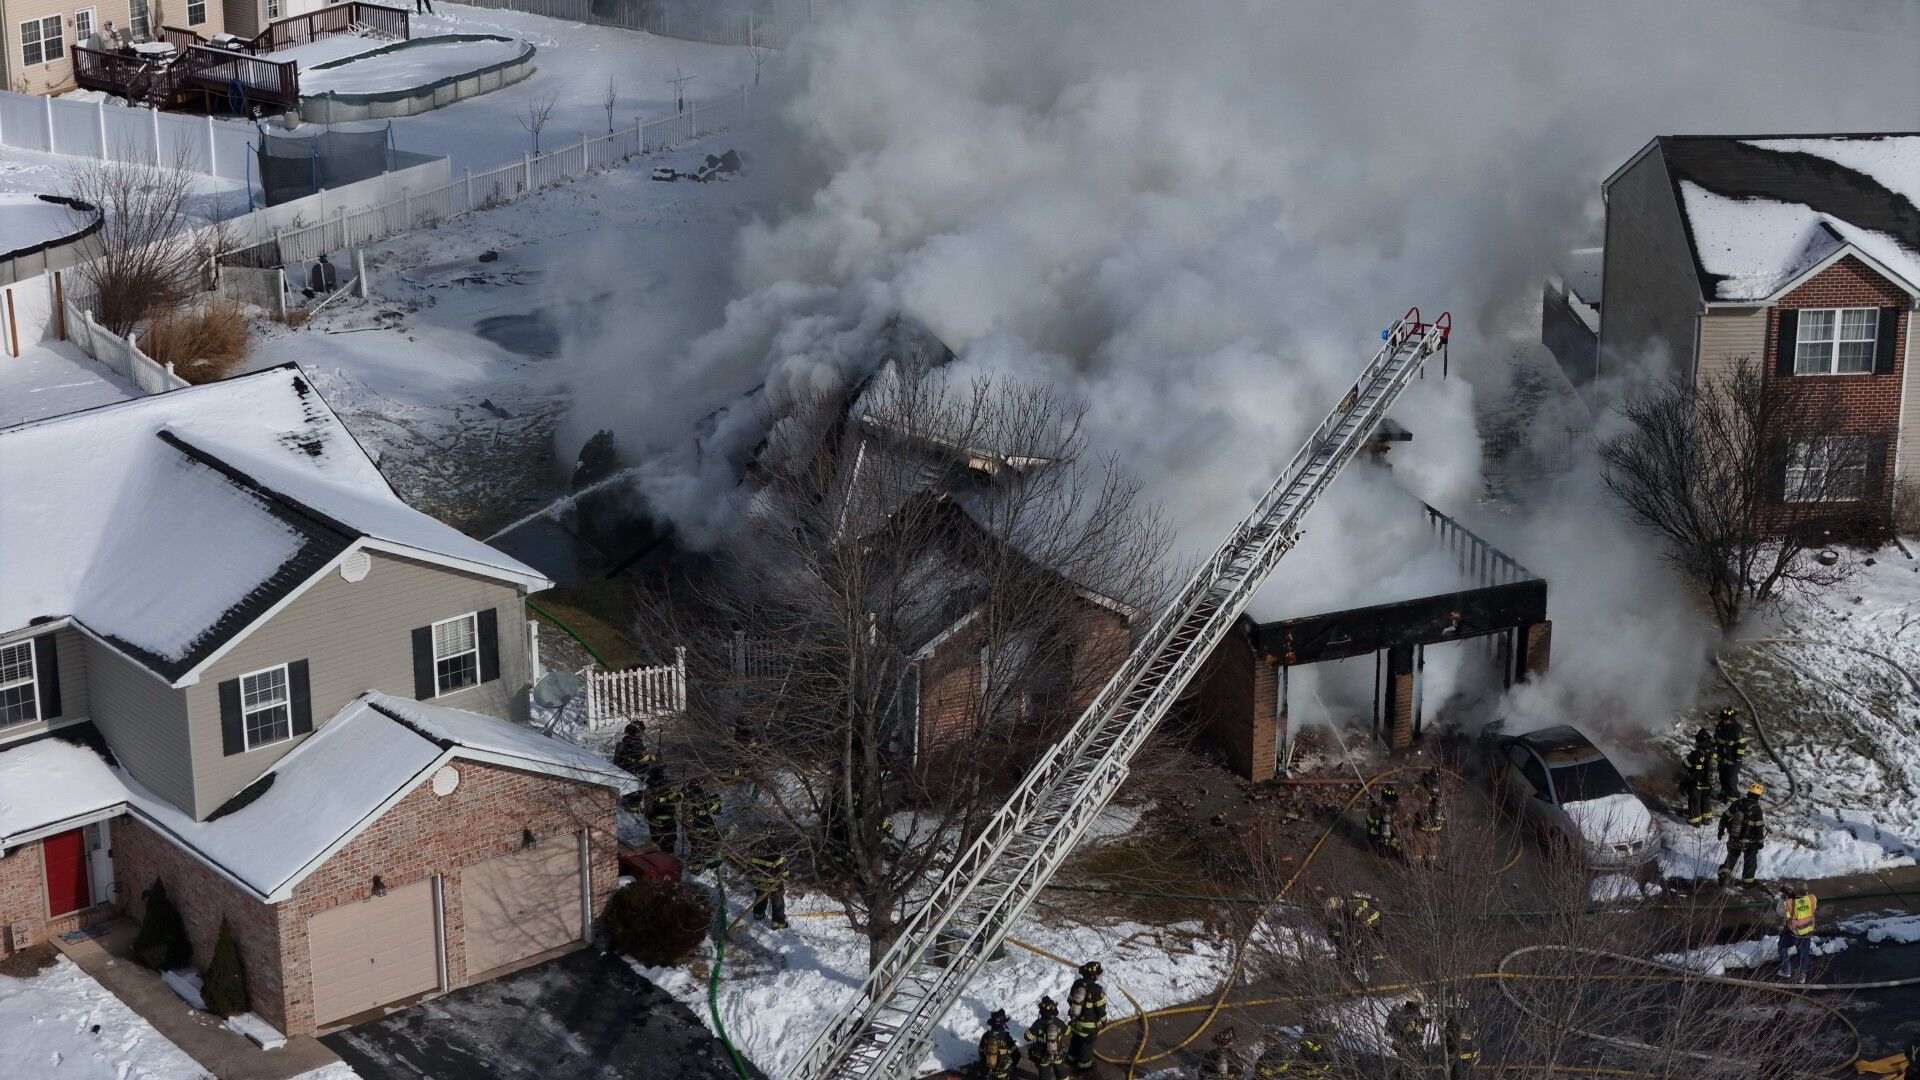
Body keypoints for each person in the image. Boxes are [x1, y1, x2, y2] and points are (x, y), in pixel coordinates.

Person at [1324, 894, 1383, 984]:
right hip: (1359, 925)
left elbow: (1363, 921)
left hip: (1373, 921)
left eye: (1333, 912)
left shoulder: (1352, 907)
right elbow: (1339, 934)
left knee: (1364, 938)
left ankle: (1376, 961)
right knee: (1352, 942)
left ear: (1336, 908)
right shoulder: (1340, 916)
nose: (1333, 915)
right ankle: (1355, 969)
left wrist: (1354, 933)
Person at [1717, 781, 1767, 886]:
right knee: (1750, 860)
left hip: (1733, 839)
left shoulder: (1737, 803)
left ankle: (1724, 875)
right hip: (1749, 843)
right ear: (1758, 796)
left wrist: (1721, 830)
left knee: (1731, 857)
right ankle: (1747, 882)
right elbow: (1758, 828)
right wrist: (1760, 842)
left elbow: (1725, 817)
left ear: (1748, 792)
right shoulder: (1757, 810)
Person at [1067, 960, 1107, 1071]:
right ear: (1095, 975)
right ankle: (1084, 1065)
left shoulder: (1077, 984)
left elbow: (1069, 1000)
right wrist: (1104, 1021)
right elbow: (1100, 1010)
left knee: (1075, 1039)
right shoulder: (1097, 990)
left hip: (1075, 1022)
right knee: (1087, 1044)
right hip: (1089, 1027)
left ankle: (1071, 1058)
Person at [1776, 883, 1817, 982]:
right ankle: (1802, 976)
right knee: (1804, 954)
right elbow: (1811, 908)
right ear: (1806, 891)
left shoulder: (1789, 903)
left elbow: (1780, 912)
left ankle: (1786, 970)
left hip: (1792, 933)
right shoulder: (1812, 899)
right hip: (1807, 932)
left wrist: (1783, 900)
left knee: (1782, 946)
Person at [1026, 996, 1071, 1080]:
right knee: (1061, 1071)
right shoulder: (1058, 1021)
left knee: (1044, 1074)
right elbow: (1067, 1032)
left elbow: (1027, 1037)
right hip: (1057, 1054)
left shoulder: (1037, 1024)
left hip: (1043, 1057)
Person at [682, 779, 722, 873]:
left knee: (701, 846)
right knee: (702, 846)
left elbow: (716, 809)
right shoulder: (692, 801)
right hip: (703, 832)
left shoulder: (705, 800)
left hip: (702, 832)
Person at [749, 846, 789, 930]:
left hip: (758, 881)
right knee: (778, 901)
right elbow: (784, 871)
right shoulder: (777, 850)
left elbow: (749, 865)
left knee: (760, 897)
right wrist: (786, 875)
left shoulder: (755, 848)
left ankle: (758, 914)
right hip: (773, 884)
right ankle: (777, 922)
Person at [1714, 706, 1749, 801]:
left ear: (1732, 719)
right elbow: (1716, 738)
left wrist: (1738, 758)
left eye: (1727, 720)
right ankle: (1723, 793)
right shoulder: (1720, 726)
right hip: (1722, 758)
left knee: (1731, 779)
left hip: (1733, 759)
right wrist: (1712, 746)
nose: (1725, 721)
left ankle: (1733, 798)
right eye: (1723, 719)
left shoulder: (1737, 729)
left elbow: (1742, 745)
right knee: (1722, 777)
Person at [1683, 731, 1717, 826]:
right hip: (1709, 782)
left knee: (1694, 800)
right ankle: (1707, 819)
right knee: (1706, 799)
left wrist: (1685, 759)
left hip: (1696, 782)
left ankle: (1695, 821)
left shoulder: (1696, 754)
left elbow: (1686, 765)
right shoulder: (1713, 752)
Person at [1386, 999, 1427, 1078]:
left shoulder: (1404, 1011)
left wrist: (1421, 1024)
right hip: (1408, 1046)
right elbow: (1408, 1030)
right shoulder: (1409, 1013)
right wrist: (1417, 1025)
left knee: (1406, 1066)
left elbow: (1388, 1030)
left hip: (1404, 1046)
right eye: (1419, 1004)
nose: (1420, 1006)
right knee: (1410, 1068)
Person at [977, 1008, 1019, 1080]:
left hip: (988, 1070)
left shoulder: (986, 1035)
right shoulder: (1006, 1037)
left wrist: (985, 1060)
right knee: (1017, 1055)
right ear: (1003, 1024)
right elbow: (1016, 1054)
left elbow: (980, 1050)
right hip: (1003, 1072)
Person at [1441, 1008, 1479, 1080]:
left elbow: (1449, 1040)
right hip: (1471, 1060)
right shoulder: (1472, 1017)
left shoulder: (1454, 1019)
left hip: (1459, 1061)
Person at [645, 780, 680, 854]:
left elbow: (648, 806)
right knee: (669, 840)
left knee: (655, 840)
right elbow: (678, 799)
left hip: (653, 821)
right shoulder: (668, 794)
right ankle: (666, 855)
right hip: (667, 822)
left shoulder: (649, 791)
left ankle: (656, 854)